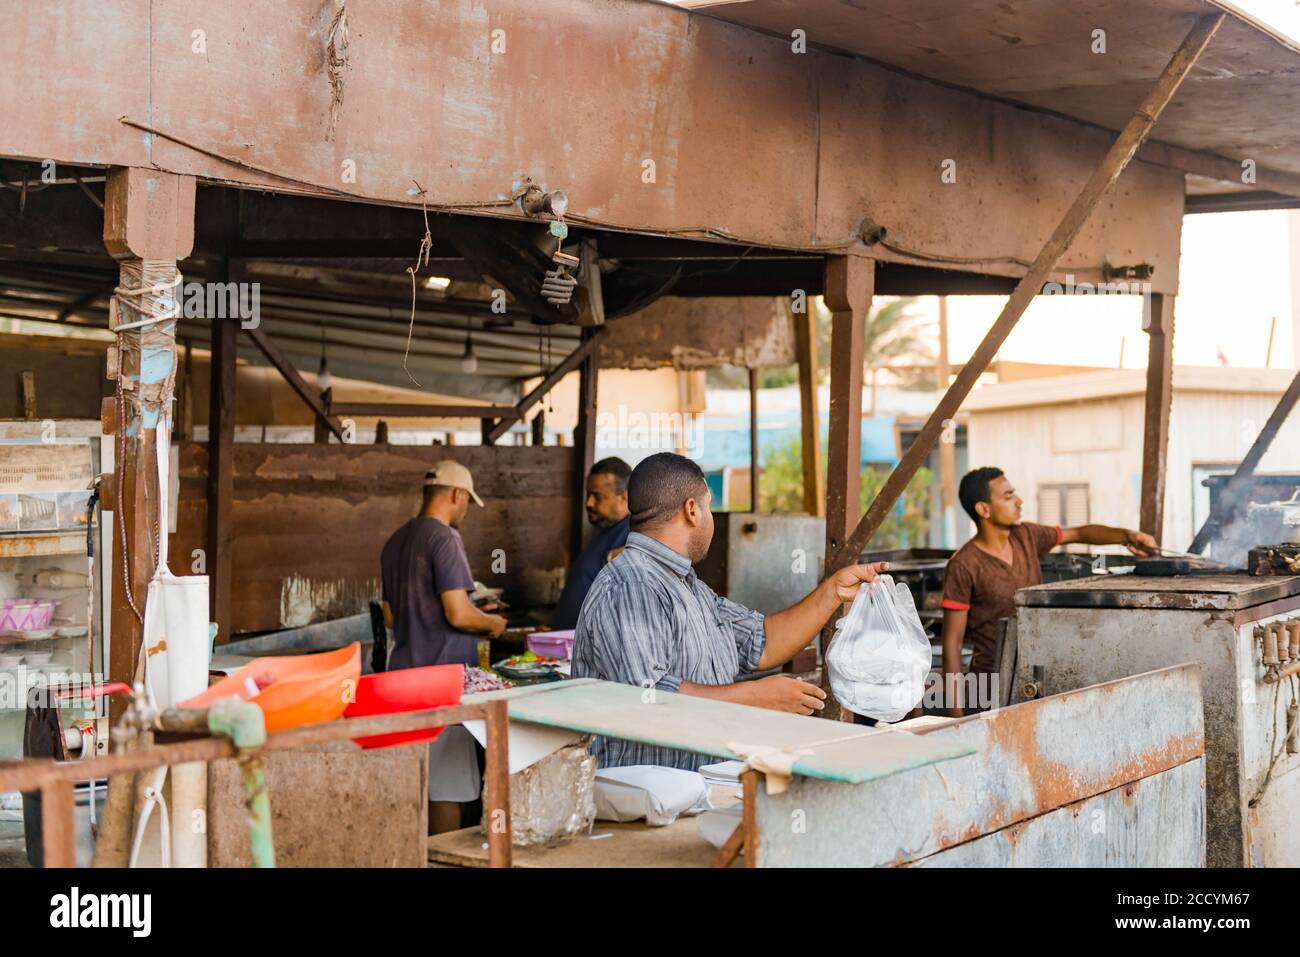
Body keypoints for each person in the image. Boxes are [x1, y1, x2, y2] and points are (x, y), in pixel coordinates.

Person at [571, 452, 888, 771]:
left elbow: (761, 641)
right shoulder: (632, 585)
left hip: (692, 796)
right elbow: (649, 698)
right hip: (640, 808)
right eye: (708, 505)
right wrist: (755, 698)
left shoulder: (689, 587)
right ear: (692, 510)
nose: (710, 517)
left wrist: (833, 591)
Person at [940, 466, 1157, 715]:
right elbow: (952, 646)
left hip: (1034, 678)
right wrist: (955, 718)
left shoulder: (1027, 536)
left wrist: (1128, 536)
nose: (1019, 502)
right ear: (984, 509)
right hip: (989, 685)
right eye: (1008, 497)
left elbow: (1079, 533)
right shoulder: (964, 565)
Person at [380, 460, 507, 834]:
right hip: (440, 682)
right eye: (467, 501)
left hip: (400, 679)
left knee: (414, 782)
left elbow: (390, 616)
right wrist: (492, 623)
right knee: (446, 788)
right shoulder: (445, 538)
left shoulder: (395, 542)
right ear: (456, 495)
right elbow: (458, 613)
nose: (465, 509)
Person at [550, 457, 632, 630]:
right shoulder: (607, 531)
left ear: (624, 497)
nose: (588, 503)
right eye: (588, 494)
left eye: (597, 496)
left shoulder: (633, 536)